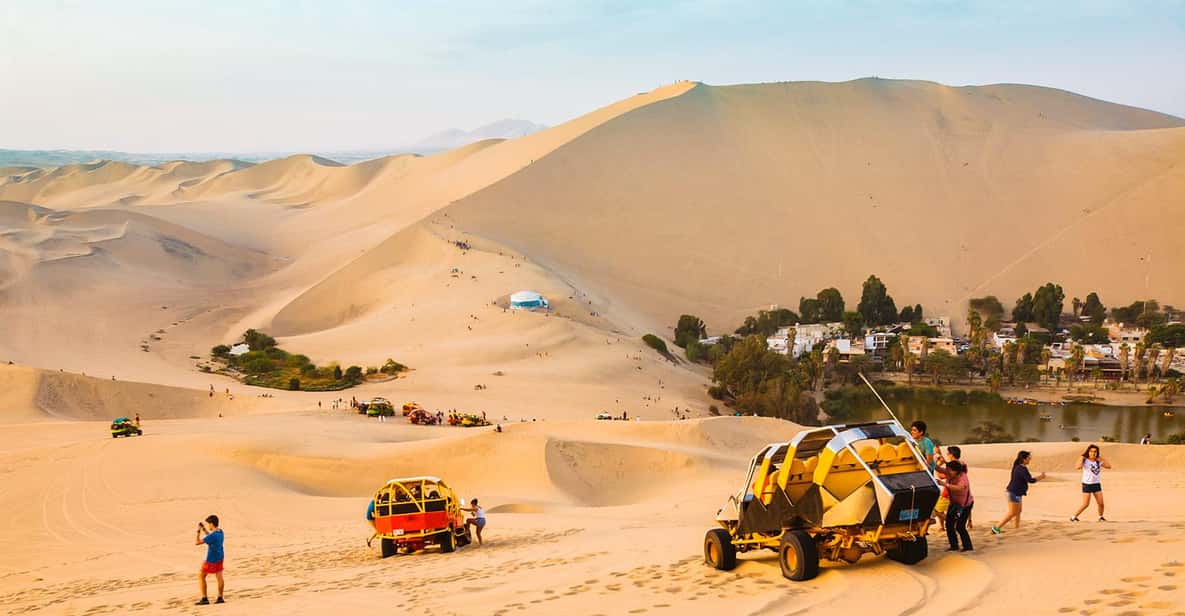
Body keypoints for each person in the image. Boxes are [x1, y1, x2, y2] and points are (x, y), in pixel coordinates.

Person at [993, 450, 1046, 534]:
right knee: (1012, 513)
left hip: (1017, 493)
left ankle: (1016, 528)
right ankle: (995, 528)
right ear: (1024, 459)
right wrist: (1041, 477)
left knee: (1018, 511)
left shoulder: (1019, 467)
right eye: (1029, 458)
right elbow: (1030, 480)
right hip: (1012, 493)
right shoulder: (1021, 468)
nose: (1030, 460)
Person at [1071, 444, 1112, 522]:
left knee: (1101, 503)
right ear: (1088, 452)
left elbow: (1109, 466)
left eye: (1095, 452)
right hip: (1087, 484)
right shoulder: (1085, 460)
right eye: (1091, 451)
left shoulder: (1098, 461)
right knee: (1086, 504)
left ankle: (1100, 517)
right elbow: (1077, 467)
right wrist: (1081, 458)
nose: (1093, 453)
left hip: (1096, 484)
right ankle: (1073, 517)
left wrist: (1101, 459)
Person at [943, 461, 974, 551]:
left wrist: (945, 485)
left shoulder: (962, 478)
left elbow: (960, 488)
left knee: (960, 526)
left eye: (949, 470)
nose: (947, 472)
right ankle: (954, 545)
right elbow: (939, 469)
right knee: (949, 524)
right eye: (947, 470)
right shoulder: (950, 473)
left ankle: (968, 547)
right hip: (954, 504)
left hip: (965, 505)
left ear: (956, 471)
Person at [195, 515, 225, 605]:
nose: (208, 526)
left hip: (211, 559)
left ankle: (204, 598)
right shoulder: (220, 532)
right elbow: (210, 537)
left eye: (208, 524)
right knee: (219, 576)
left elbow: (197, 542)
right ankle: (220, 597)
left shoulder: (213, 535)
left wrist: (198, 532)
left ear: (212, 524)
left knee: (201, 576)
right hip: (220, 557)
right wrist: (204, 530)